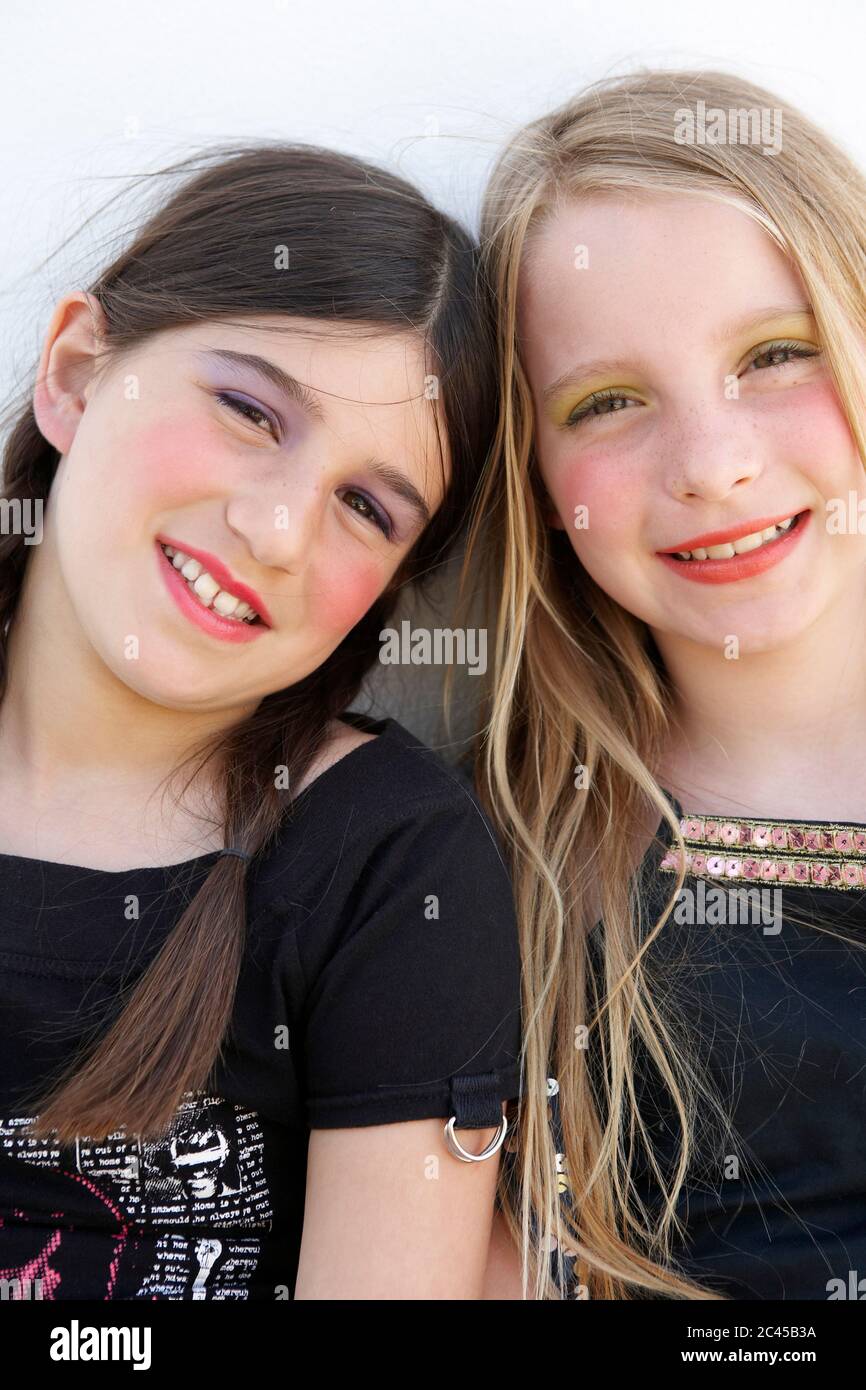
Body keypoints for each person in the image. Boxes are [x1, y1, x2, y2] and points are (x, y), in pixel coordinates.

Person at [0, 142, 522, 1300]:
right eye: (247, 410)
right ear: (78, 372)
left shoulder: (389, 866)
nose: (278, 530)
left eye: (364, 506)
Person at [469, 70, 866, 1300]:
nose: (711, 464)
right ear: (533, 477)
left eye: (773, 353)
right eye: (607, 401)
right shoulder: (500, 877)